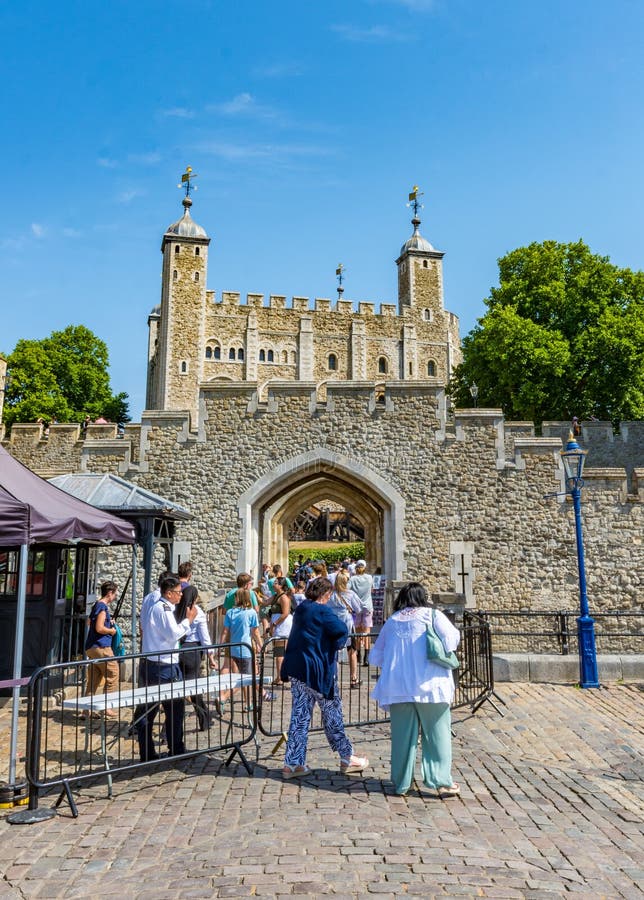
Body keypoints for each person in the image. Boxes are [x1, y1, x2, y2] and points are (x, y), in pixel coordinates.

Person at [369, 582, 461, 797]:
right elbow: (451, 640)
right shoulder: (433, 615)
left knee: (402, 738)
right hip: (431, 684)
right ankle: (441, 781)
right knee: (437, 736)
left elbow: (377, 655)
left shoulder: (393, 620)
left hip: (399, 686)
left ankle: (402, 782)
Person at [279, 577, 369, 779]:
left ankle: (293, 763)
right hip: (317, 672)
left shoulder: (302, 608)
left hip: (298, 669)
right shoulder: (322, 611)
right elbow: (341, 630)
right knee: (332, 713)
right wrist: (333, 645)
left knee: (300, 717)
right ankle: (347, 757)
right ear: (326, 594)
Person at [137, 574, 198, 762]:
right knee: (172, 709)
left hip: (157, 664)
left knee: (152, 709)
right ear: (169, 593)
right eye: (178, 592)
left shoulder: (162, 607)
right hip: (163, 666)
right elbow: (173, 634)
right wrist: (188, 620)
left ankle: (151, 751)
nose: (181, 595)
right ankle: (173, 749)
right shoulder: (162, 609)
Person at [176, 584, 218, 730]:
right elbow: (205, 637)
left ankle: (205, 718)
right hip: (192, 651)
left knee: (183, 689)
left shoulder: (176, 609)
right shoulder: (197, 612)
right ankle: (167, 731)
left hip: (178, 650)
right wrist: (211, 657)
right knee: (192, 689)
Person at [84, 580, 120, 717]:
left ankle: (86, 710)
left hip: (92, 647)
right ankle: (106, 707)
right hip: (102, 647)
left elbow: (90, 622)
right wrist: (111, 630)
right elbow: (99, 628)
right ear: (109, 593)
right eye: (115, 594)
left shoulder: (96, 605)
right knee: (113, 674)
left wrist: (108, 622)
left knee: (94, 678)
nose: (115, 597)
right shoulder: (103, 607)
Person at [328, 572, 362, 688]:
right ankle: (353, 678)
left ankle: (334, 678)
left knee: (334, 653)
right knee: (352, 651)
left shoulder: (330, 595)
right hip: (347, 624)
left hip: (333, 625)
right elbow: (358, 609)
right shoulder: (350, 594)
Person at [220, 588, 262, 675]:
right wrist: (261, 645)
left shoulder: (230, 612)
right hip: (246, 648)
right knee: (247, 677)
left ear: (238, 598)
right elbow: (255, 632)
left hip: (233, 648)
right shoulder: (251, 612)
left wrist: (220, 646)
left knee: (235, 674)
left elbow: (225, 631)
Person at [266, 576, 294, 685]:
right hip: (279, 624)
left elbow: (285, 613)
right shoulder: (275, 596)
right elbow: (264, 603)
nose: (273, 584)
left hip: (282, 625)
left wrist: (274, 624)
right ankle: (283, 675)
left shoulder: (283, 597)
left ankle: (280, 677)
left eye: (276, 583)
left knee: (279, 652)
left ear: (281, 585)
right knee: (280, 651)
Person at [349, 560, 373, 666]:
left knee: (358, 631)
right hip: (367, 606)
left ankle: (358, 654)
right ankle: (366, 656)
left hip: (356, 607)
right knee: (367, 632)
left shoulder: (352, 579)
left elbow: (347, 590)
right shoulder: (369, 578)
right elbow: (372, 589)